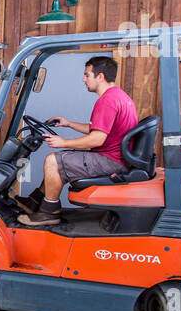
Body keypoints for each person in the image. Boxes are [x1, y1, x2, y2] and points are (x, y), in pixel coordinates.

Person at [17, 55, 138, 227]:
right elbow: (99, 130)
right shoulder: (119, 96)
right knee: (62, 159)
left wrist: (63, 142)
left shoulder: (108, 101)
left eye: (87, 75)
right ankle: (35, 201)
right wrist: (68, 123)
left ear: (100, 77)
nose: (83, 79)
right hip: (115, 157)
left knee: (53, 161)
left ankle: (48, 213)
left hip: (111, 161)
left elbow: (97, 139)